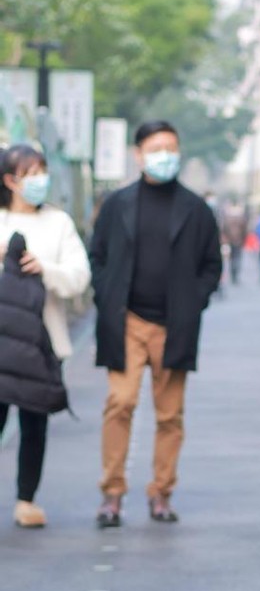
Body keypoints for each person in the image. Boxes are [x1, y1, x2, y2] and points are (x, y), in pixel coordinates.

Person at [88, 121, 222, 528]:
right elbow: (98, 255)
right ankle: (112, 493)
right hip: (126, 320)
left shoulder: (195, 209)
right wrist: (105, 294)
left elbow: (211, 264)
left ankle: (161, 493)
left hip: (174, 325)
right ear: (139, 154)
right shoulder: (118, 204)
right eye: (156, 148)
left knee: (169, 415)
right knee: (120, 403)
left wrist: (193, 301)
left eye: (170, 147)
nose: (164, 155)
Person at [0, 144, 91, 527]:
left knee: (34, 422)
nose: (40, 180)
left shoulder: (59, 223)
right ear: (10, 180)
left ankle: (26, 500)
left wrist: (45, 269)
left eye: (42, 171)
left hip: (42, 343)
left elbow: (79, 277)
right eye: (30, 173)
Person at [221, 201, 248, 287]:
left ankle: (233, 274)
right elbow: (245, 230)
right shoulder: (241, 218)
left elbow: (223, 229)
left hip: (229, 240)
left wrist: (225, 240)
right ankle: (235, 275)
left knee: (232, 258)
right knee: (237, 258)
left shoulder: (227, 217)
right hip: (238, 241)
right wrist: (243, 239)